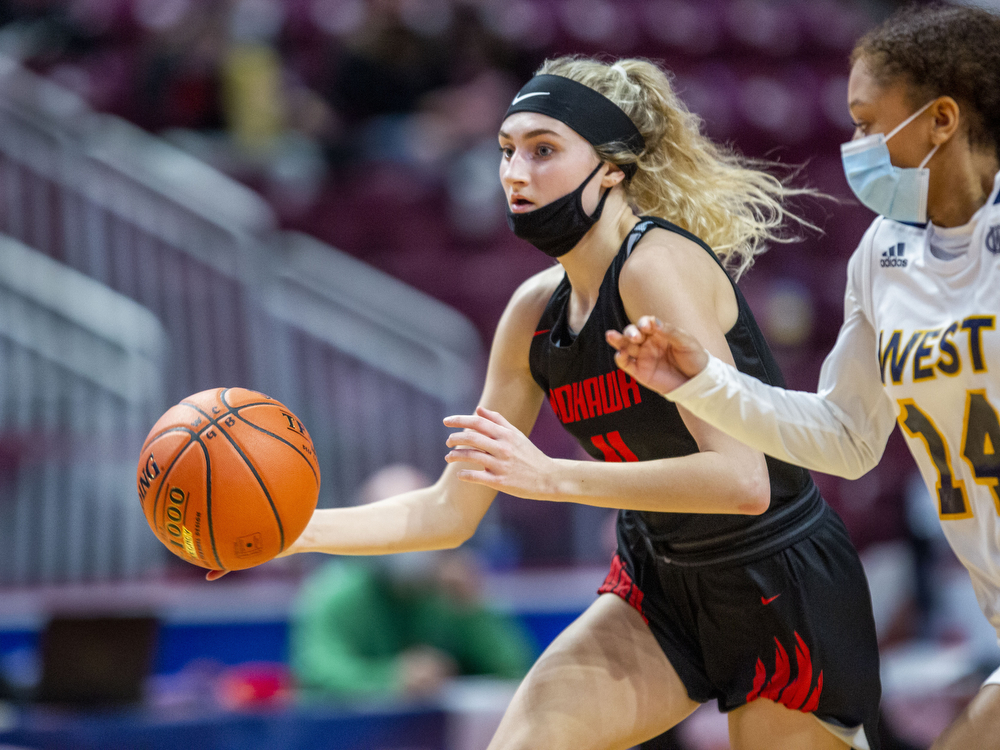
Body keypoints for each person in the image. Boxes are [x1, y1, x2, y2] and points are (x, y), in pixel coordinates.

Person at [212, 55, 882, 749]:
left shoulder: (655, 266)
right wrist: (288, 530)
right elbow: (449, 511)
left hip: (776, 576)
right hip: (658, 583)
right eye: (507, 150)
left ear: (612, 168)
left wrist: (552, 477)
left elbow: (742, 483)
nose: (515, 173)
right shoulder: (532, 311)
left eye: (543, 150)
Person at [606, 5, 1000, 749]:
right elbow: (848, 436)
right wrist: (704, 383)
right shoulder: (882, 254)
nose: (854, 147)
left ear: (942, 120)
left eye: (867, 123)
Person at [290, 465, 536, 698]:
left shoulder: (452, 591)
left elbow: (514, 671)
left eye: (418, 521)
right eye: (388, 523)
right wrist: (392, 678)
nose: (405, 539)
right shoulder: (335, 594)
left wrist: (473, 611)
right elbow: (315, 675)